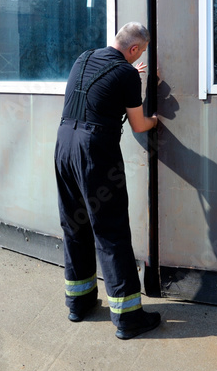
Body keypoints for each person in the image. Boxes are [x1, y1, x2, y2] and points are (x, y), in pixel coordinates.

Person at [54, 22, 161, 340]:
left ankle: (79, 302)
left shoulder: (84, 58)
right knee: (111, 230)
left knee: (75, 224)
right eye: (139, 53)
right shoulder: (126, 74)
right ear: (134, 49)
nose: (138, 59)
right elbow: (140, 125)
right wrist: (159, 119)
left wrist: (132, 74)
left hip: (64, 146)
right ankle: (128, 318)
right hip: (94, 152)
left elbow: (99, 91)